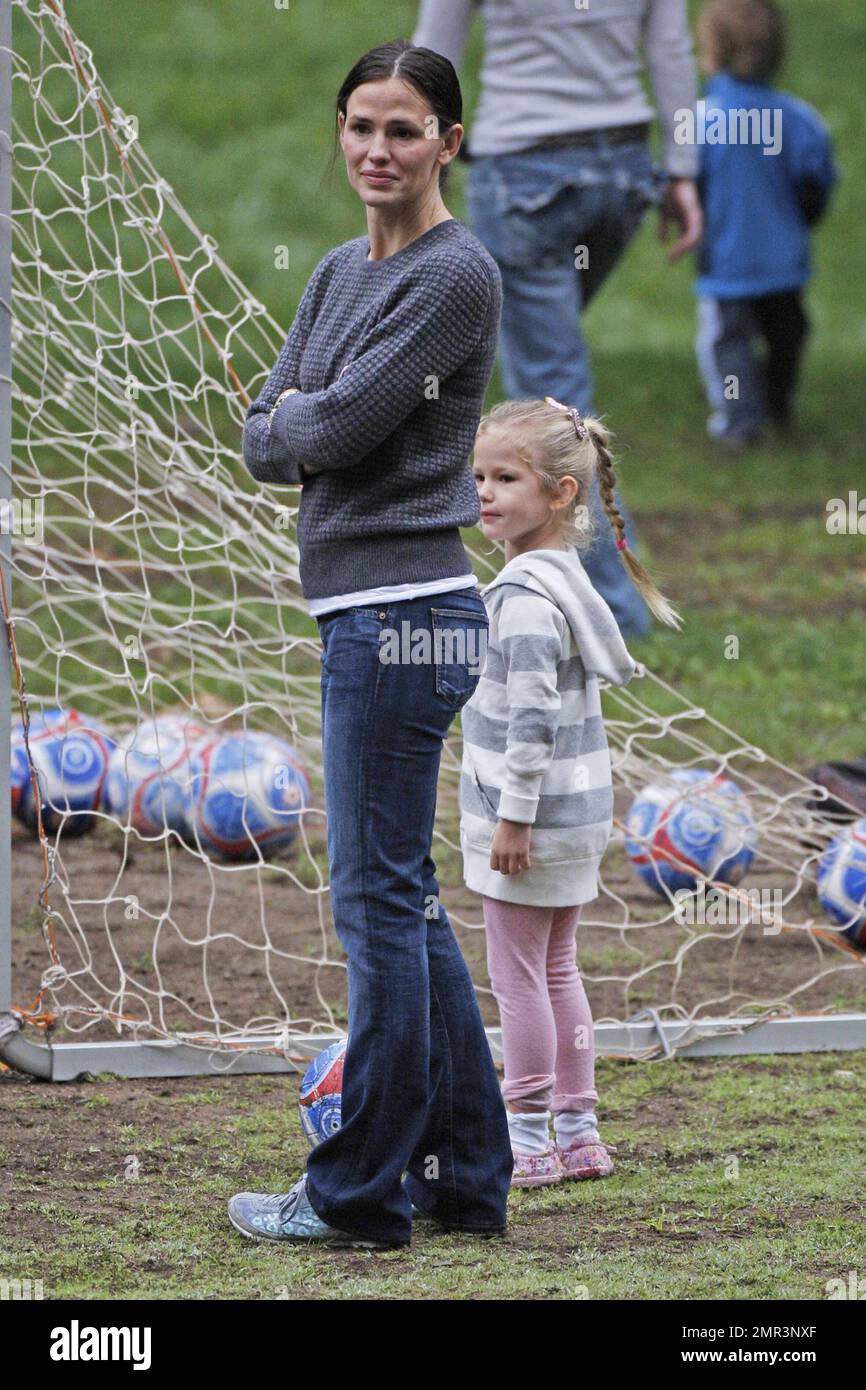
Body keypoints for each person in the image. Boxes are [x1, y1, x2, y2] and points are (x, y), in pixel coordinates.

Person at [229, 40, 514, 1249]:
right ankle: (468, 1177)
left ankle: (354, 1195)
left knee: (374, 908)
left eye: (403, 130)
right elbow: (262, 432)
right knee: (401, 901)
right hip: (363, 610)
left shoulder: (457, 276)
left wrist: (304, 418)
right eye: (359, 127)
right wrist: (301, 419)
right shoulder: (339, 270)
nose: (377, 151)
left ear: (448, 140)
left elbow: (327, 425)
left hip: (406, 617)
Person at [413, 0, 703, 638]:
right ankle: (577, 591)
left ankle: (615, 615)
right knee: (547, 370)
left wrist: (418, 164)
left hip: (525, 174)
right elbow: (672, 52)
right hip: (623, 174)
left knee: (552, 397)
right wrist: (683, 169)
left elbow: (432, 61)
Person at [461, 396, 680, 1185]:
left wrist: (513, 818)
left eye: (506, 477)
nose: (484, 492)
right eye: (479, 475)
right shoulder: (569, 584)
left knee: (519, 977)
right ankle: (580, 1133)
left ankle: (525, 1141)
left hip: (531, 823)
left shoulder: (523, 600)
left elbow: (530, 724)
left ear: (561, 494)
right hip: (580, 819)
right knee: (558, 970)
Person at [692, 0, 837, 450]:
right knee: (786, 335)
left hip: (727, 261)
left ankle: (739, 421)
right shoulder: (798, 117)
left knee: (727, 342)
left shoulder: (703, 120)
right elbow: (817, 183)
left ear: (711, 51)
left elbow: (684, 183)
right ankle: (778, 403)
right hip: (784, 260)